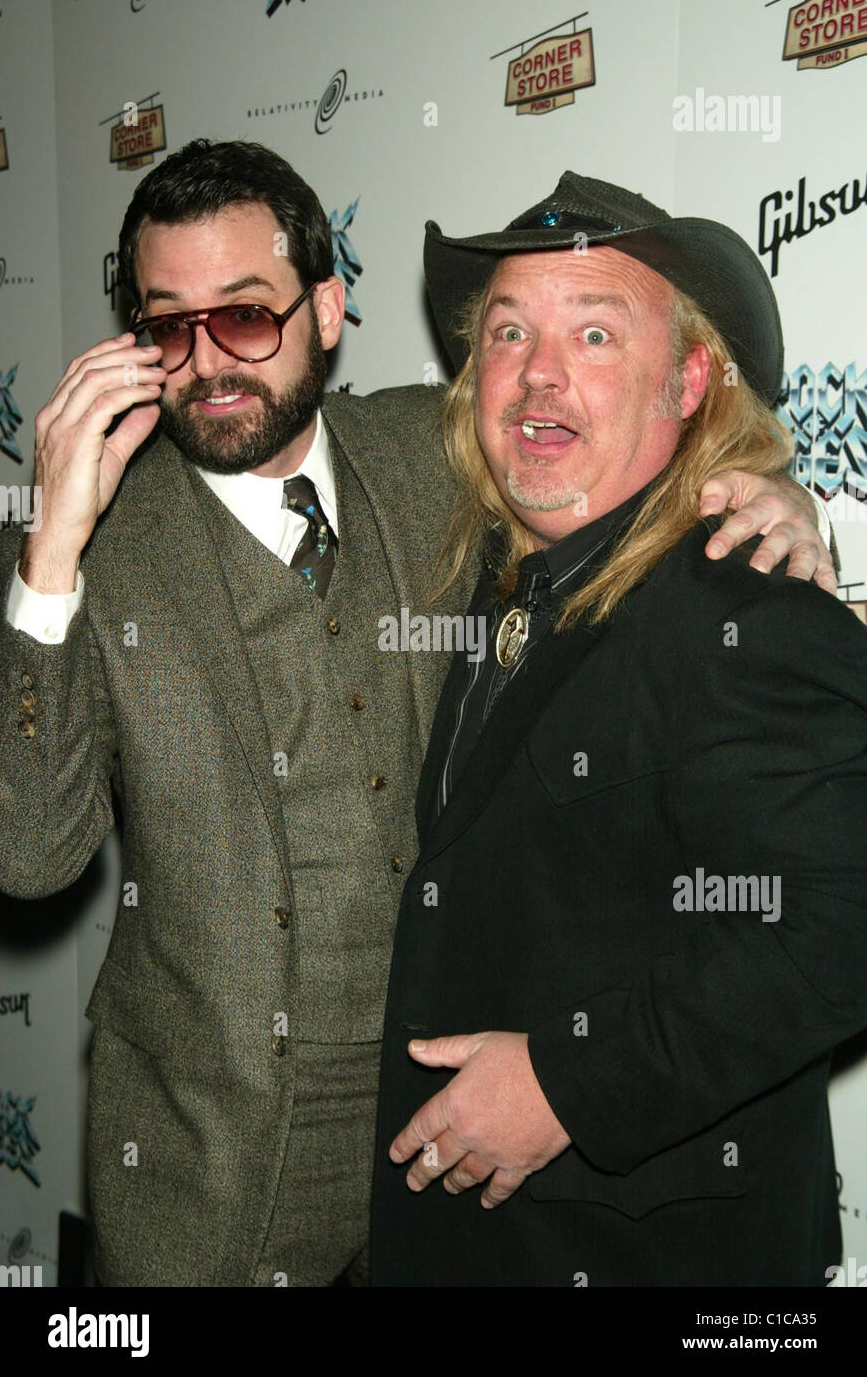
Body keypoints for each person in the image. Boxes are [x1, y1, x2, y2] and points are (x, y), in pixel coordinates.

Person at [0, 144, 834, 1288]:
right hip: (203, 1196)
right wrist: (49, 546)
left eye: (245, 316)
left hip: (446, 1184)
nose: (207, 364)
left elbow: (605, 451)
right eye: (167, 326)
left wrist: (765, 492)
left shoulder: (424, 456)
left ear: (328, 308)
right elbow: (28, 859)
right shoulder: (86, 550)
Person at [370, 172, 867, 1287]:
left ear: (688, 379)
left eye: (592, 333)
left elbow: (840, 920)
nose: (537, 372)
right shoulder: (506, 587)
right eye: (508, 332)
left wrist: (565, 1081)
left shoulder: (746, 608)